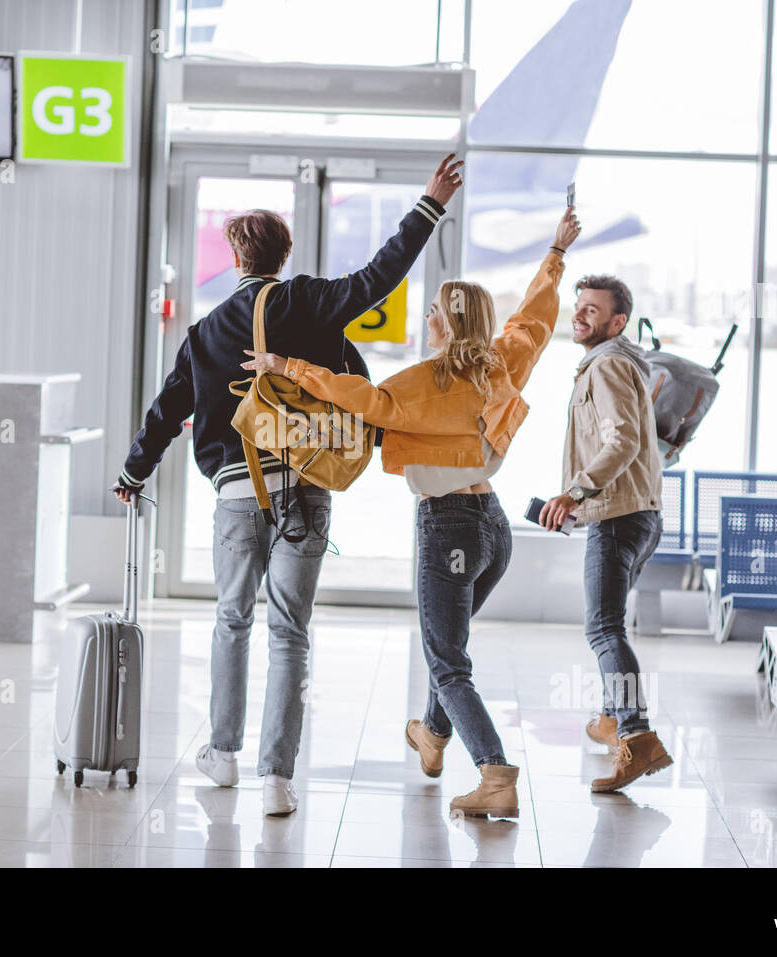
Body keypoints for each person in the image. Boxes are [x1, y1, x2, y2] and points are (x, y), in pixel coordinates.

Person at [113, 155, 465, 816]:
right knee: (290, 632)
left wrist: (132, 473)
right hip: (307, 487)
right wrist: (429, 204)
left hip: (237, 494)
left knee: (230, 617)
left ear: (236, 257)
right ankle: (277, 776)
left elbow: (165, 412)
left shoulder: (204, 331)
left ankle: (221, 753)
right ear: (285, 253)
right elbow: (380, 277)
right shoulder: (309, 300)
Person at [242, 207, 582, 818]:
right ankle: (432, 733)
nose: (424, 318)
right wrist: (554, 256)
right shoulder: (501, 360)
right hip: (493, 528)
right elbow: (533, 320)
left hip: (448, 524)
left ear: (449, 322)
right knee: (445, 644)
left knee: (447, 660)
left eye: (432, 311)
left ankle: (495, 774)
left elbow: (363, 399)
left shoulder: (427, 381)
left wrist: (285, 367)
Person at [538, 273, 672, 792]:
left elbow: (622, 441)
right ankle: (614, 718)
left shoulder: (610, 365)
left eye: (592, 310)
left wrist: (574, 492)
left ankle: (636, 737)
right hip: (636, 514)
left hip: (617, 518)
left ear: (617, 322)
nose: (580, 315)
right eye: (579, 306)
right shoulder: (615, 363)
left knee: (603, 629)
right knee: (608, 626)